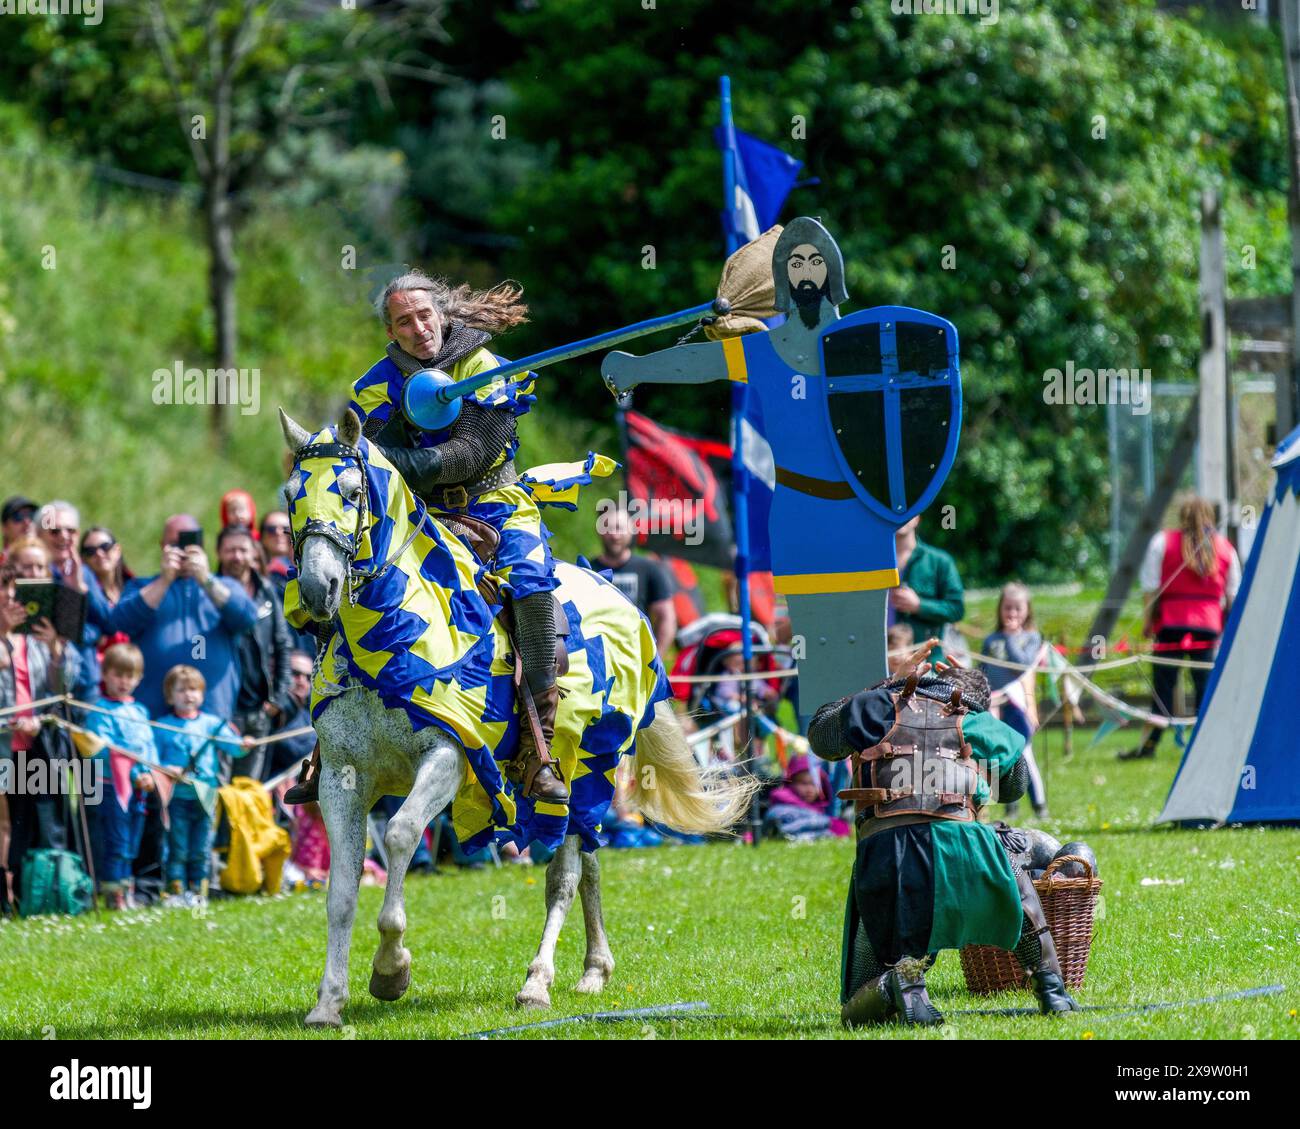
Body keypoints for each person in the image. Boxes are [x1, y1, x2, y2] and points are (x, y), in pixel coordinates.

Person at [287, 269, 567, 805]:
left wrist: (393, 460)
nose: (418, 329)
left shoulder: (480, 366)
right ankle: (325, 747)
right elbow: (367, 457)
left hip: (494, 502)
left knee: (531, 588)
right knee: (341, 584)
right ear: (391, 333)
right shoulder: (373, 386)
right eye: (403, 322)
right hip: (417, 514)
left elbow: (473, 451)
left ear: (440, 314)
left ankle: (539, 750)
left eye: (423, 316)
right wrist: (373, 456)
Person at [808, 640, 1078, 1026]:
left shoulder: (878, 706)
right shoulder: (974, 718)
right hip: (964, 855)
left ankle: (899, 984)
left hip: (889, 861)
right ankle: (1052, 988)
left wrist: (887, 683)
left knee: (857, 1011)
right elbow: (1015, 784)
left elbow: (821, 736)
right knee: (1008, 870)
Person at [1122, 494, 1241, 760]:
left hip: (1172, 623)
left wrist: (1147, 622)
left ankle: (1150, 745)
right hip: (1209, 627)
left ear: (1182, 516)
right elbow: (1233, 594)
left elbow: (1151, 587)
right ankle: (1206, 745)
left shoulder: (1163, 542)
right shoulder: (1225, 548)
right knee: (1205, 686)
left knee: (1163, 688)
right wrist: (1227, 628)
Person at [107, 515, 258, 722]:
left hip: (211, 719)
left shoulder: (225, 586)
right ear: (163, 547)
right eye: (174, 545)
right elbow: (121, 621)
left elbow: (247, 618)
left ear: (202, 546)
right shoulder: (142, 586)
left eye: (189, 543)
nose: (183, 551)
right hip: (154, 719)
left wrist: (205, 578)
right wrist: (165, 580)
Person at [0, 562, 82, 913]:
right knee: (3, 823)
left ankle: (38, 894)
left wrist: (54, 651)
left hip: (36, 747)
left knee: (36, 822)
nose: (12, 601)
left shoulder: (32, 640)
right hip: (4, 744)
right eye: (5, 595)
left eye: (16, 595)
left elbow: (61, 691)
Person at [154, 665, 244, 907]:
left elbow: (234, 747)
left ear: (202, 694)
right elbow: (152, 758)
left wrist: (244, 744)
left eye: (193, 690)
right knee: (178, 846)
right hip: (177, 798)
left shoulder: (211, 725)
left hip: (205, 798)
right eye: (181, 690)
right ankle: (175, 892)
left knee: (202, 848)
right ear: (170, 696)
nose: (188, 695)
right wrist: (166, 768)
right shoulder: (161, 727)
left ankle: (197, 892)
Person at [81, 643, 157, 910]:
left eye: (130, 675)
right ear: (105, 674)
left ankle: (127, 888)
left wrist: (151, 774)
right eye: (118, 674)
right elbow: (102, 750)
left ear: (139, 678)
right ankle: (113, 894)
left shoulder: (140, 712)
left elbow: (150, 748)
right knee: (117, 839)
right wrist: (134, 772)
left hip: (139, 789)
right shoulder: (99, 712)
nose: (124, 681)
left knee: (133, 841)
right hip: (111, 787)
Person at [216, 526, 293, 780]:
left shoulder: (267, 591)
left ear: (253, 553)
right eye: (230, 550)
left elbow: (283, 645)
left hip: (260, 711)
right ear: (218, 553)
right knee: (219, 790)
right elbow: (198, 649)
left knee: (249, 792)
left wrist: (279, 697)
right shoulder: (210, 592)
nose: (237, 556)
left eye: (242, 549)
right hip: (223, 712)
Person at [981, 582, 1049, 818]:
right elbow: (984, 670)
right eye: (1008, 608)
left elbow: (1021, 664)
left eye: (1017, 608)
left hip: (1018, 704)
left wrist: (1010, 638)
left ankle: (1039, 804)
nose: (1012, 613)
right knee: (999, 756)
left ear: (1027, 610)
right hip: (995, 705)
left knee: (1024, 753)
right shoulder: (991, 640)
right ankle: (1009, 803)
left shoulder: (1031, 638)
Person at [592, 507, 676, 658]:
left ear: (632, 529)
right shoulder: (587, 570)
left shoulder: (650, 569)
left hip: (637, 659)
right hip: (597, 660)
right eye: (608, 528)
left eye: (619, 527)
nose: (615, 535)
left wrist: (656, 662)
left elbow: (667, 617)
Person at [889, 515, 965, 660]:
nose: (899, 514)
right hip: (879, 664)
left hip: (925, 664)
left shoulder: (939, 561)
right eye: (893, 510)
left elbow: (956, 609)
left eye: (907, 509)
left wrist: (919, 605)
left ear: (917, 517)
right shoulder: (870, 562)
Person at [762, 753, 851, 841]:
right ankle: (782, 831)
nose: (809, 789)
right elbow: (777, 798)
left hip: (800, 830)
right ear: (791, 783)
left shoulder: (821, 807)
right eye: (804, 783)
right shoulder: (783, 795)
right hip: (780, 818)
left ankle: (784, 833)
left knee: (823, 827)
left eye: (814, 784)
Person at [80, 525, 134, 657]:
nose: (99, 554)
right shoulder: (82, 593)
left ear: (117, 550)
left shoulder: (135, 588)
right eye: (90, 551)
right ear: (84, 559)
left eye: (105, 547)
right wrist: (97, 635)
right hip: (100, 669)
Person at [266, 650, 317, 782]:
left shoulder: (311, 721)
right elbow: (289, 751)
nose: (302, 682)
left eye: (308, 677)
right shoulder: (261, 713)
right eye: (295, 674)